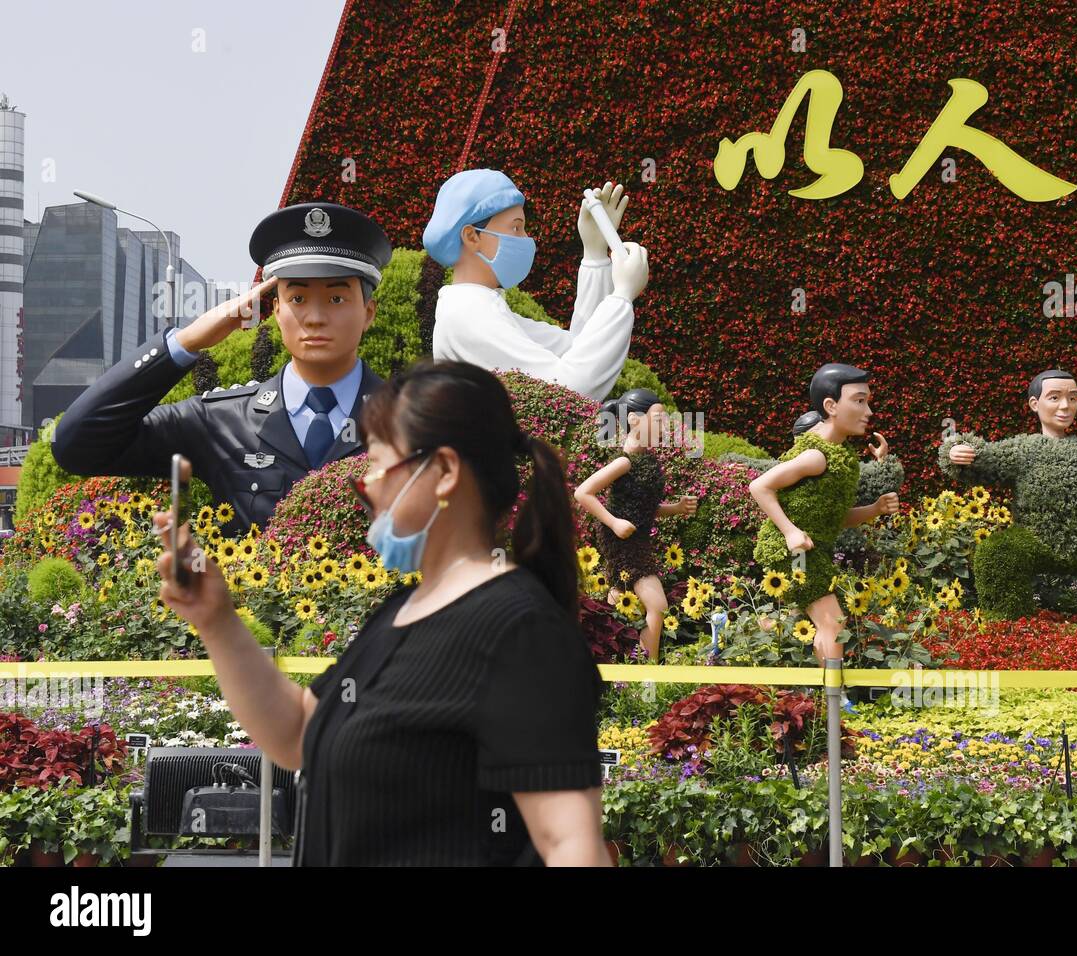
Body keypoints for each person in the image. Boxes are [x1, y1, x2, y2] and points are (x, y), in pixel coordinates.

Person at [153, 360, 609, 866]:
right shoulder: (402, 611)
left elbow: (571, 845)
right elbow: (297, 736)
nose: (365, 487)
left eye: (376, 464)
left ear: (443, 472)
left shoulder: (521, 631)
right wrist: (217, 620)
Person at [52, 202, 392, 537]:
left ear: (369, 313)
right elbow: (77, 446)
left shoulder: (410, 418)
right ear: (275, 310)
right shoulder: (224, 419)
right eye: (298, 299)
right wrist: (184, 342)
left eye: (337, 299)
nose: (316, 317)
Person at [938, 369, 1077, 620]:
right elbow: (983, 458)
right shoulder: (1022, 449)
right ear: (1034, 404)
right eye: (1055, 397)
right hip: (1034, 541)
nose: (1066, 406)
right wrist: (956, 450)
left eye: (1072, 398)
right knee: (997, 553)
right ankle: (1009, 628)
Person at [423, 169, 650, 400]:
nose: (526, 239)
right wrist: (622, 295)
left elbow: (578, 348)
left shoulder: (479, 306)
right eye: (516, 227)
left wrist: (595, 253)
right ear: (472, 237)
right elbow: (567, 391)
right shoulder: (469, 312)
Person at [750, 363, 901, 664]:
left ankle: (733, 633)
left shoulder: (841, 458)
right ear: (831, 406)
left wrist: (874, 509)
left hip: (814, 549)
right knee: (832, 623)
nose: (868, 411)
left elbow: (833, 518)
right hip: (791, 551)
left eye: (868, 401)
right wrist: (791, 532)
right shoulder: (816, 456)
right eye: (859, 401)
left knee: (799, 620)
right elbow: (759, 486)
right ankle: (835, 703)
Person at [574, 388, 699, 661]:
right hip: (620, 541)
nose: (664, 427)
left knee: (618, 598)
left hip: (637, 539)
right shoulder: (623, 462)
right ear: (633, 420)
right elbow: (583, 493)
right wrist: (614, 522)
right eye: (658, 420)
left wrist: (675, 509)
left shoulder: (648, 461)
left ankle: (611, 661)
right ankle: (647, 673)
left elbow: (643, 510)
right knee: (657, 604)